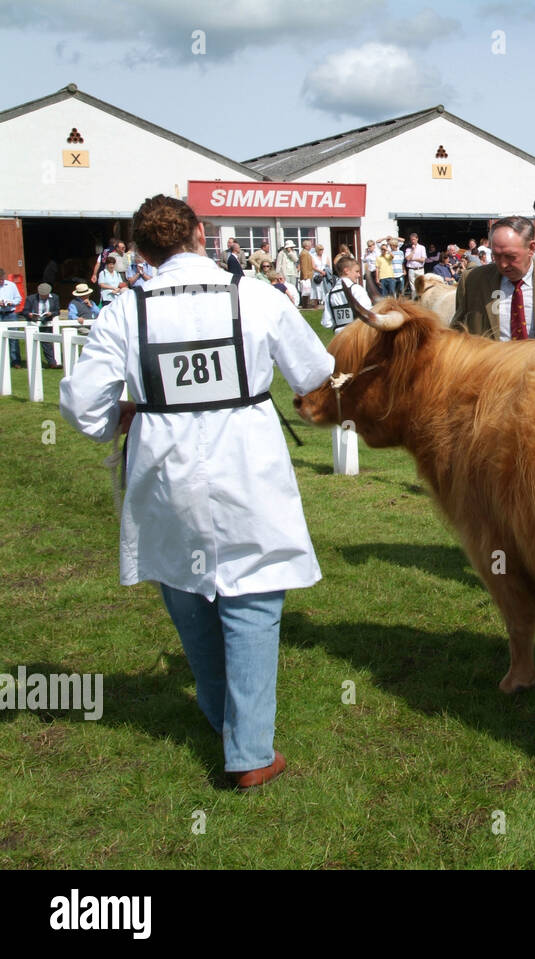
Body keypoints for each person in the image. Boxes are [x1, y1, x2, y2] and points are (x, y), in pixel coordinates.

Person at [59, 194, 334, 790]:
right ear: (201, 234)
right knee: (254, 598)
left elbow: (82, 409)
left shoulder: (123, 310)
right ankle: (250, 750)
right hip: (247, 456)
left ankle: (224, 722)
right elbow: (315, 373)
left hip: (165, 462)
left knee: (186, 592)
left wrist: (127, 411)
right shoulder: (255, 295)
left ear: (140, 251)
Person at [322, 254, 371, 332]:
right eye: (357, 271)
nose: (359, 275)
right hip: (357, 335)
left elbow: (327, 323)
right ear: (346, 270)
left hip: (339, 338)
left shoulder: (330, 295)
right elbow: (367, 314)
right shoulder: (357, 289)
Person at [19, 282, 60, 368]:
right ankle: (33, 363)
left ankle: (52, 363)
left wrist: (51, 313)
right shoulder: (31, 298)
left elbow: (57, 311)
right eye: (42, 295)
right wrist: (30, 314)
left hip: (47, 322)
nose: (43, 296)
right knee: (33, 343)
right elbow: (25, 311)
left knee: (47, 343)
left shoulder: (55, 297)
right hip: (33, 323)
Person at [1, 269, 23, 367]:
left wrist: (11, 302)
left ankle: (15, 361)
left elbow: (18, 299)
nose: (0, 281)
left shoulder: (11, 285)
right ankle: (2, 361)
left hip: (10, 313)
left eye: (1, 279)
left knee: (14, 337)